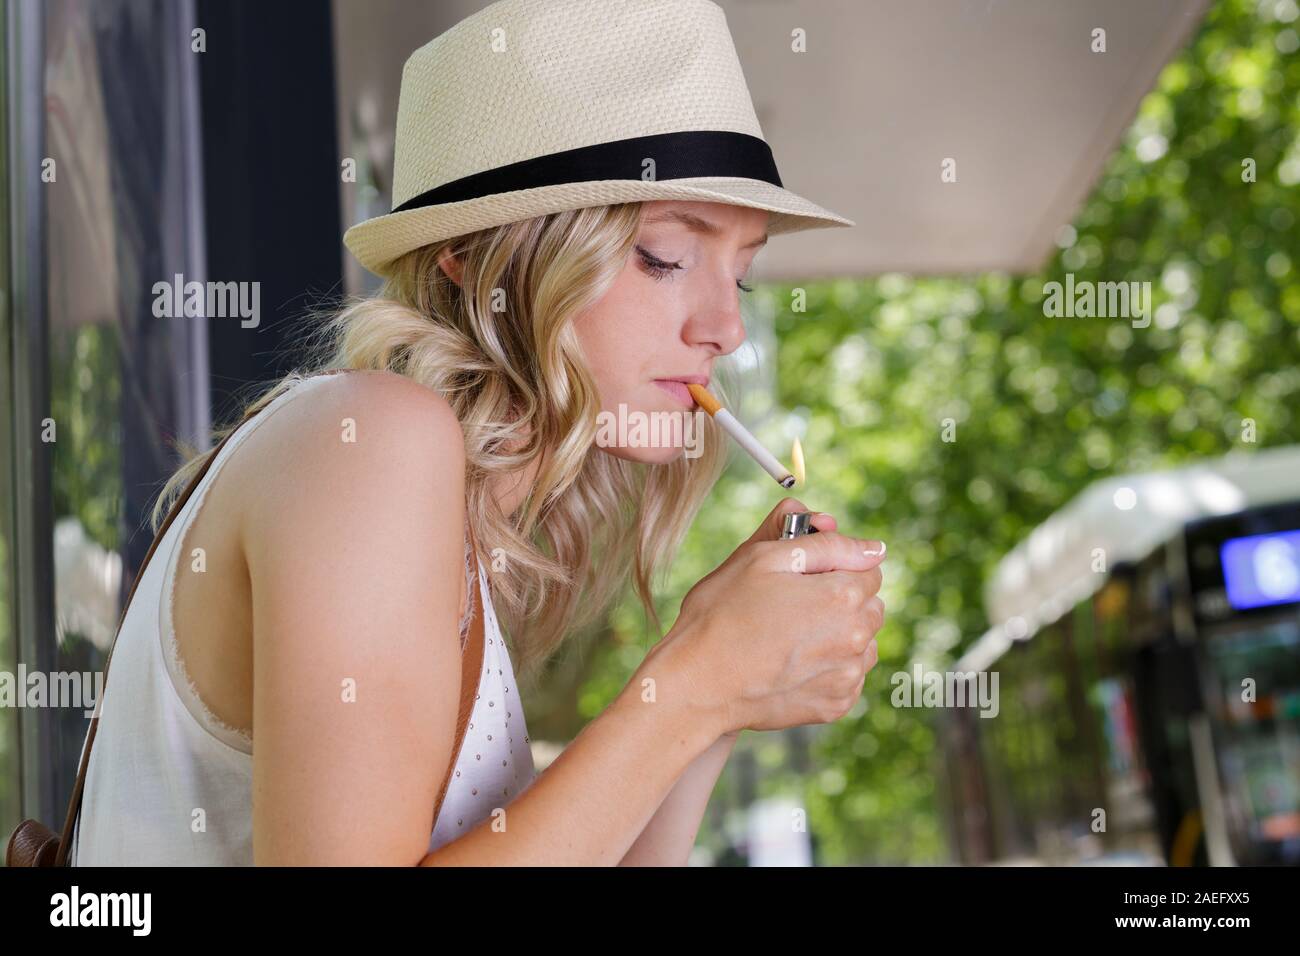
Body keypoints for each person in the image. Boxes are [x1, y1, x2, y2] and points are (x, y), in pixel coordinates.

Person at [72, 0, 886, 866]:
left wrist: (724, 697)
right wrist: (694, 683)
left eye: (744, 277)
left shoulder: (428, 513)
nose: (726, 327)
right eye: (665, 258)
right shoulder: (372, 439)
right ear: (477, 257)